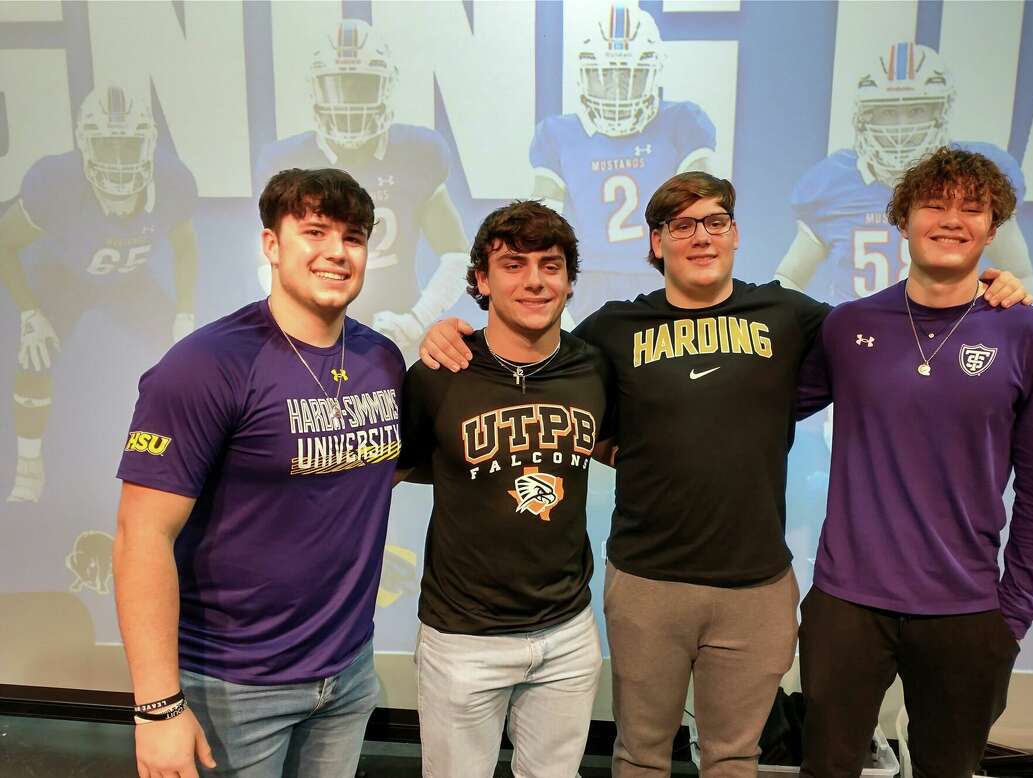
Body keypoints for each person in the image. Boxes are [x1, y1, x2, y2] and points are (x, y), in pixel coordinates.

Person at [419, 172, 1029, 778]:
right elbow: (549, 383)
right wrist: (452, 331)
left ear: (735, 233)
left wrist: (981, 292)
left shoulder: (789, 314)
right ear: (656, 242)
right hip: (647, 581)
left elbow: (891, 322)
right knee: (638, 757)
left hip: (756, 588)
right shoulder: (611, 329)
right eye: (682, 225)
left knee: (735, 760)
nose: (701, 236)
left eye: (715, 221)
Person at [793, 146, 1033, 778]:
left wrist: (1014, 612)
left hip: (967, 610)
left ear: (993, 228)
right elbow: (760, 411)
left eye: (972, 208)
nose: (952, 220)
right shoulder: (848, 326)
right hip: (847, 603)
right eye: (934, 205)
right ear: (903, 219)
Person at [113, 168, 404, 778]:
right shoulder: (205, 364)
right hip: (232, 688)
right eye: (315, 232)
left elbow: (370, 475)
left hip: (347, 674)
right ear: (271, 244)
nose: (337, 252)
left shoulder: (381, 358)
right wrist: (158, 707)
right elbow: (142, 536)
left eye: (353, 237)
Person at [398, 201, 610, 777]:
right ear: (482, 280)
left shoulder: (595, 368)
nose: (535, 280)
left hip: (567, 632)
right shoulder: (439, 373)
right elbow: (401, 468)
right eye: (513, 264)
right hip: (463, 638)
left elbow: (617, 447)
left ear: (569, 281)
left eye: (551, 265)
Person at [0, 83, 199, 503]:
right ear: (84, 146)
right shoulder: (55, 182)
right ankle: (29, 467)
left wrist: (184, 314)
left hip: (130, 281)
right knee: (33, 357)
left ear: (149, 146)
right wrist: (30, 312)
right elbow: (4, 241)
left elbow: (185, 246)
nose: (119, 162)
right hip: (64, 277)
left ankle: (190, 458)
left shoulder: (171, 181)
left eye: (129, 147)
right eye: (108, 147)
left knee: (191, 360)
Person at [254, 18, 471, 360]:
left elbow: (458, 257)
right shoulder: (283, 158)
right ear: (315, 89)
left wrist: (416, 321)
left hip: (400, 337)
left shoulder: (419, 151)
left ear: (386, 87)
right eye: (337, 87)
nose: (348, 102)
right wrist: (308, 323)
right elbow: (269, 260)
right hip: (312, 340)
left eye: (361, 87)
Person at [774, 41, 1033, 303]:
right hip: (856, 327)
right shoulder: (832, 182)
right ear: (864, 117)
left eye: (916, 110)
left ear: (941, 112)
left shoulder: (973, 178)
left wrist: (1008, 295)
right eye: (888, 112)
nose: (902, 127)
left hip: (947, 325)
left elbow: (1020, 274)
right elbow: (790, 278)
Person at [530, 3, 717, 320]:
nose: (617, 91)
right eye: (605, 76)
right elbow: (540, 228)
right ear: (584, 75)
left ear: (654, 73)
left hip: (662, 271)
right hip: (587, 279)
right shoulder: (557, 134)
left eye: (630, 76)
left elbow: (705, 211)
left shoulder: (681, 121)